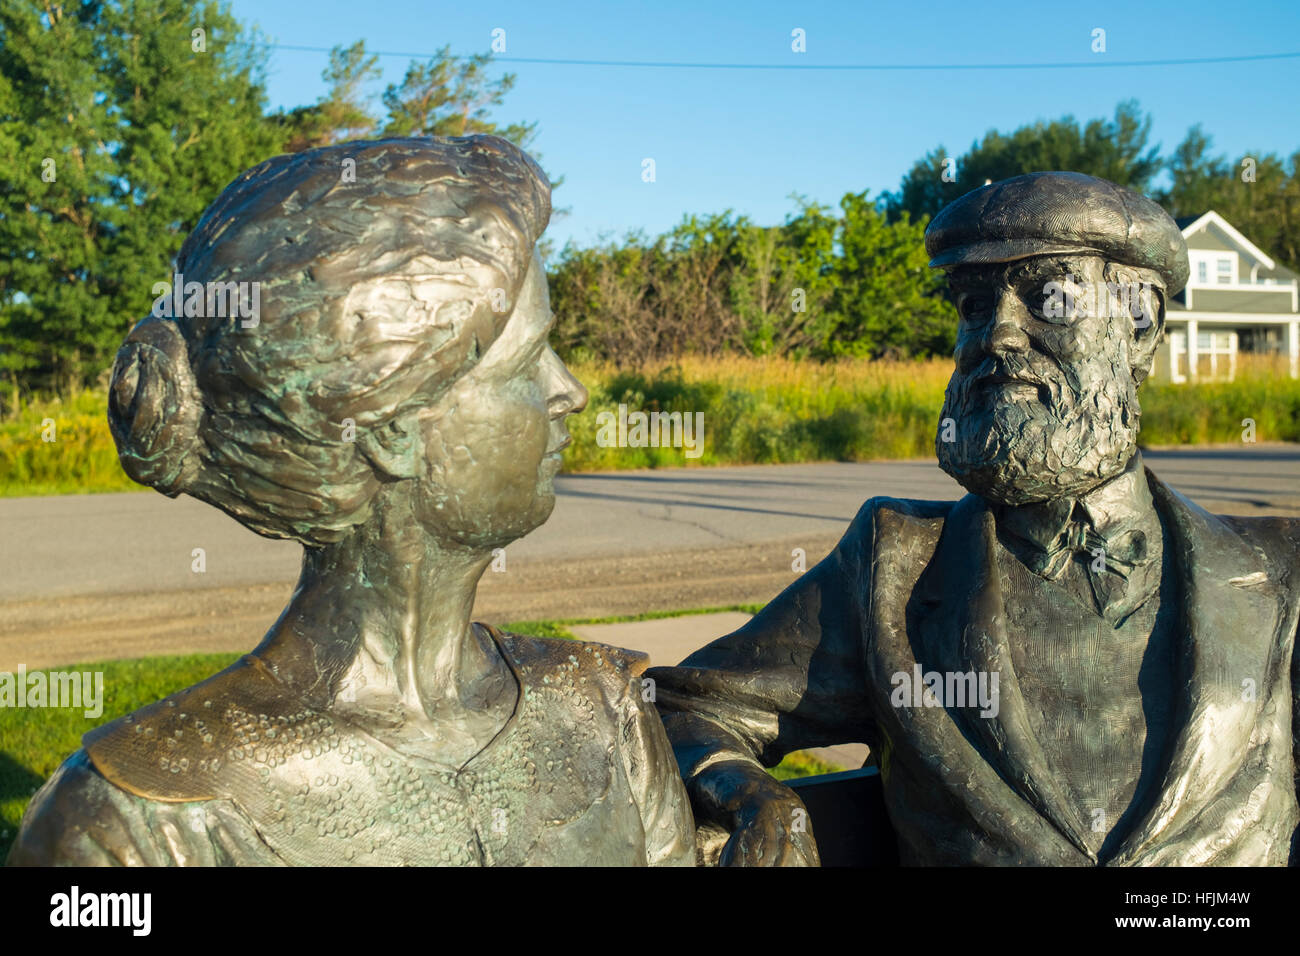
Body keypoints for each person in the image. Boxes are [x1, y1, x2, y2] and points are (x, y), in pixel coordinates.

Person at [7, 135, 694, 867]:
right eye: (530, 361)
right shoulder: (134, 827)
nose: (570, 393)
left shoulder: (606, 710)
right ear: (391, 431)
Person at [647, 171, 1300, 866]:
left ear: (1141, 327)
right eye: (975, 304)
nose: (996, 336)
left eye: (1048, 299)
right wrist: (752, 796)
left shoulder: (1279, 571)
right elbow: (679, 708)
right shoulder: (892, 567)